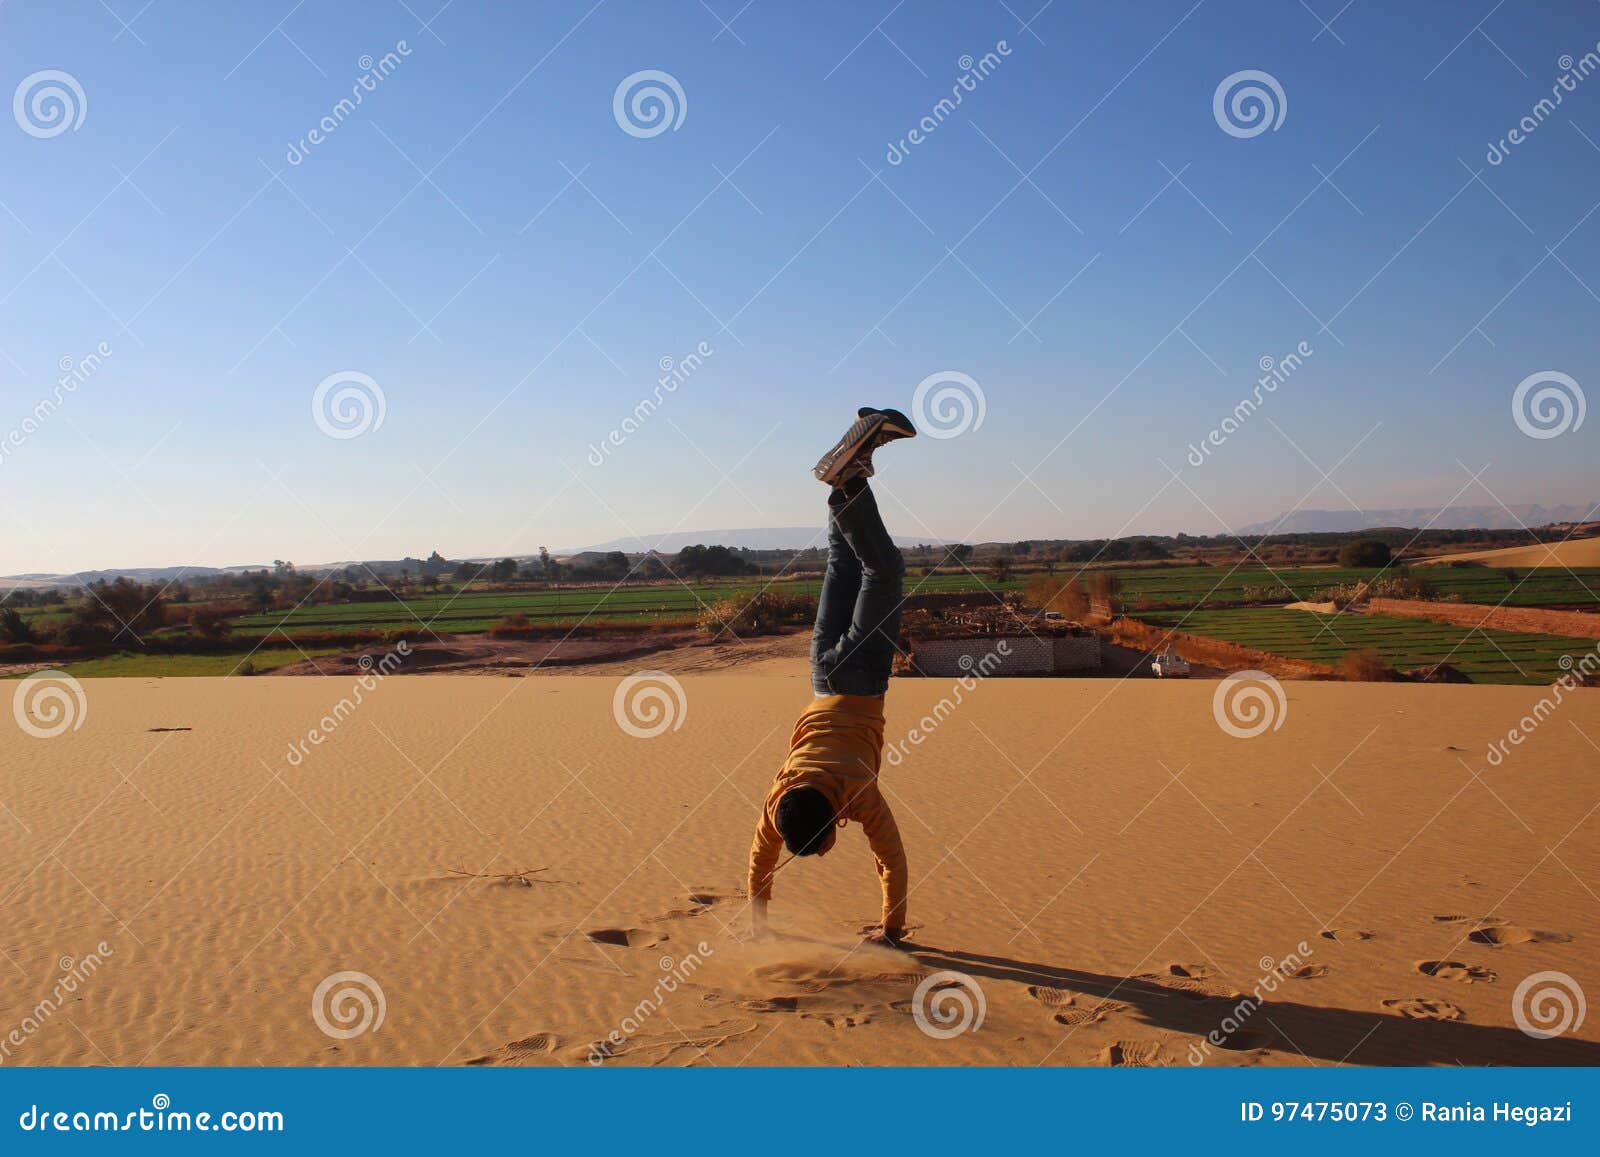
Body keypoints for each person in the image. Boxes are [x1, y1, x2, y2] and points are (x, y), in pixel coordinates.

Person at [747, 406, 917, 947]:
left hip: (860, 678)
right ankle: (852, 466)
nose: (820, 854)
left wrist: (892, 930)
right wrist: (757, 925)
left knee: (885, 570)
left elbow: (892, 860)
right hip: (821, 675)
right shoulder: (777, 799)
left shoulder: (857, 794)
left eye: (818, 848)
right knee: (843, 563)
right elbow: (759, 863)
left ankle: (847, 478)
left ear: (833, 824)